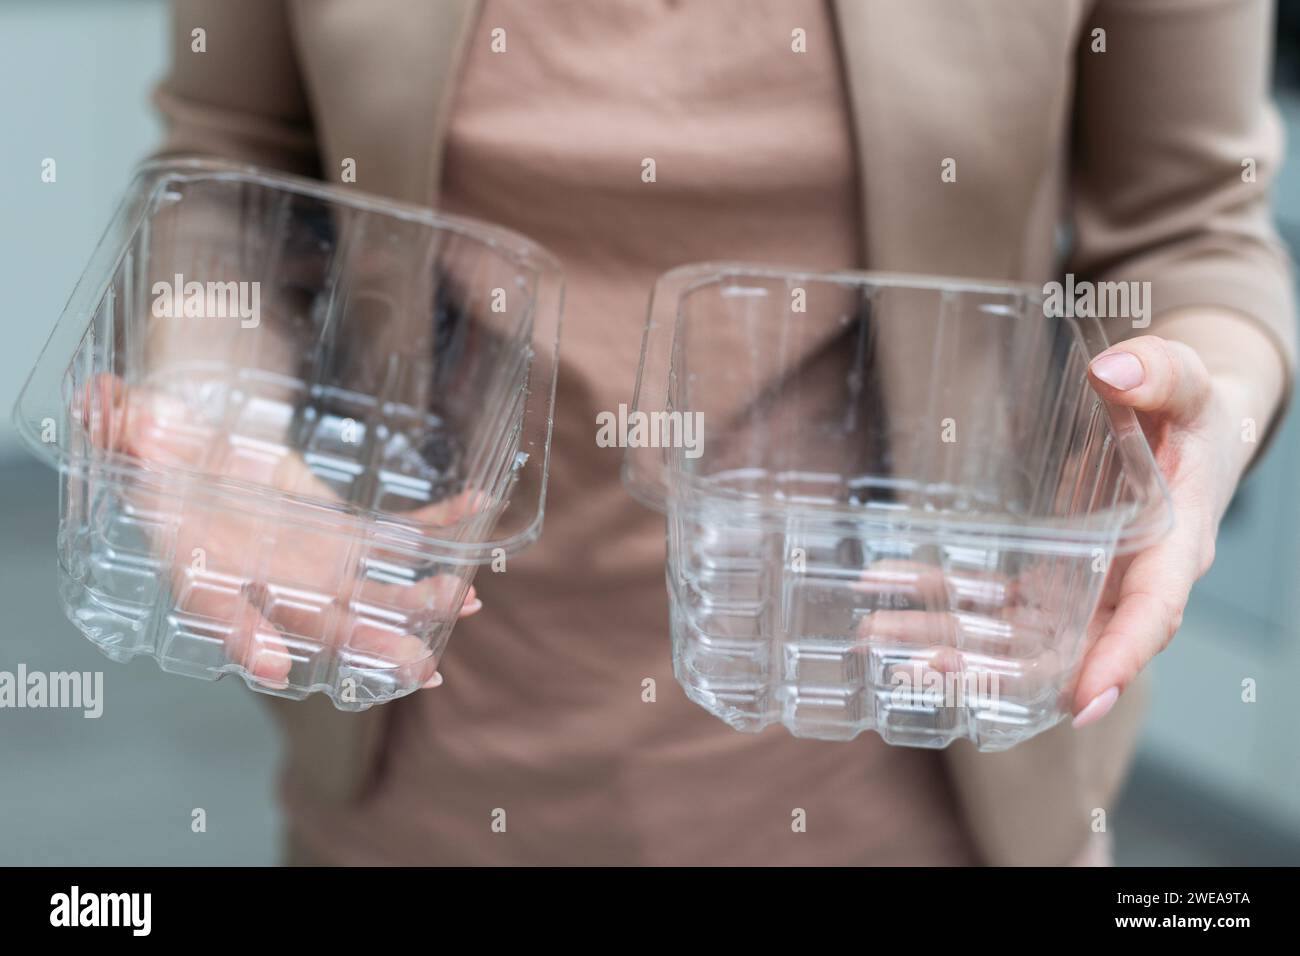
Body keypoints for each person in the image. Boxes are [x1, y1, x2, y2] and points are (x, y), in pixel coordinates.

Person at [138, 0, 1295, 865]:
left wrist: (1207, 419)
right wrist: (207, 402)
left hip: (921, 773)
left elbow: (1191, 223)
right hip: (426, 765)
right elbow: (228, 163)